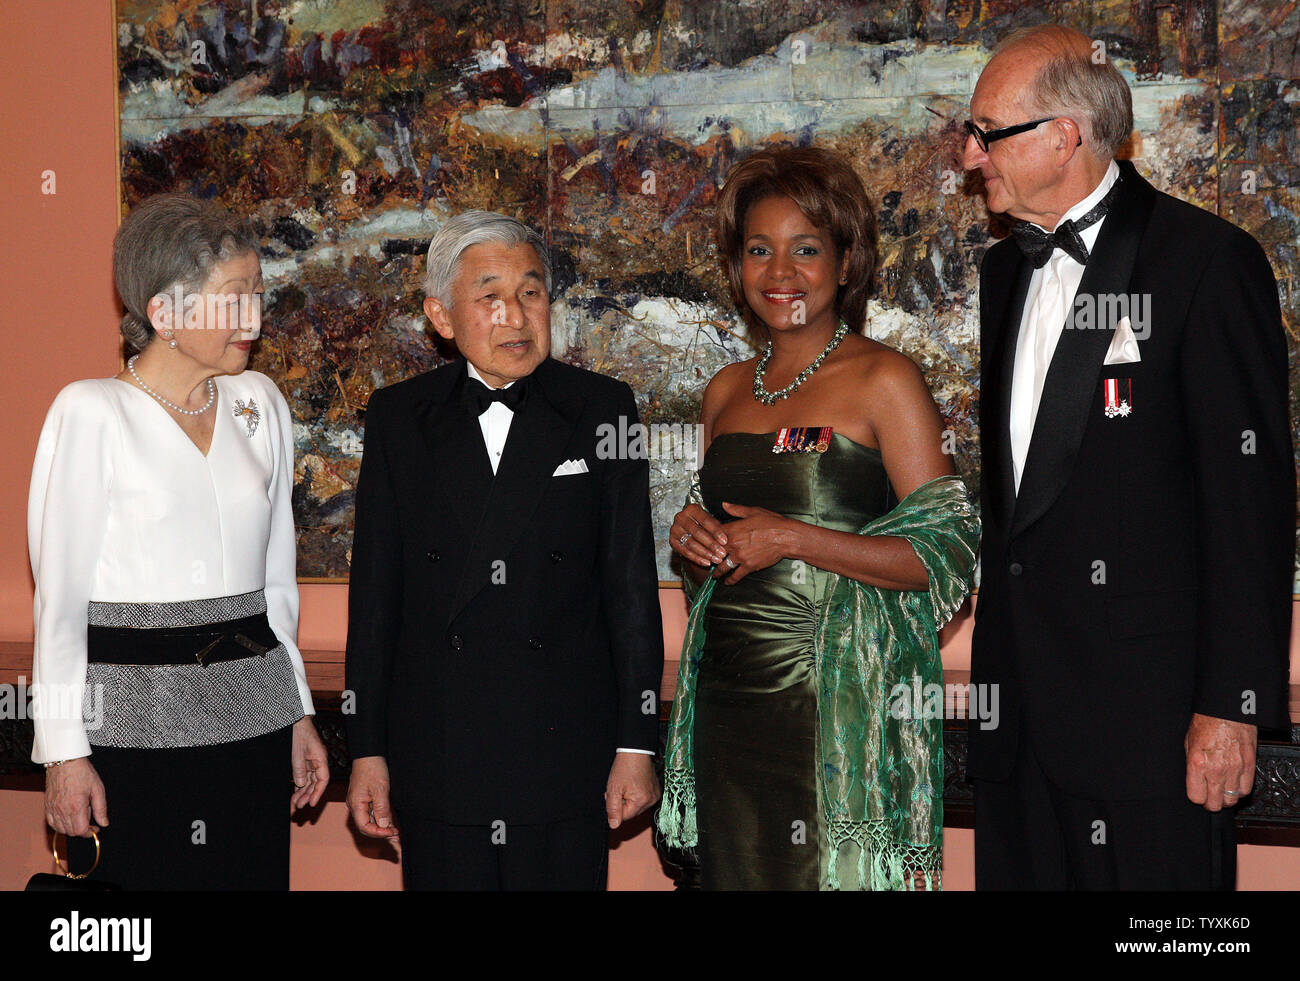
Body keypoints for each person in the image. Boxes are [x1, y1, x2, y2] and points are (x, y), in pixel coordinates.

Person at [964, 25, 1293, 890]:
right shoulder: (1004, 275)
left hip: (1154, 731)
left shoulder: (1206, 262)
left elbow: (1248, 502)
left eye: (987, 131)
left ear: (1064, 135)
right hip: (1018, 726)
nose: (969, 153)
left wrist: (1231, 707)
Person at [656, 145, 980, 890]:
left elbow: (949, 554)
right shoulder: (723, 391)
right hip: (726, 709)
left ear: (846, 260)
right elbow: (719, 545)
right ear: (736, 266)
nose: (780, 273)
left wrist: (796, 537)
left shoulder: (883, 378)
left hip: (834, 715)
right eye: (758, 250)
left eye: (805, 249)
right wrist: (692, 535)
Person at [344, 210, 663, 890]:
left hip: (561, 748)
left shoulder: (605, 408)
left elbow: (631, 590)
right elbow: (374, 598)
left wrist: (636, 741)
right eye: (489, 295)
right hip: (440, 748)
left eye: (531, 291)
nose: (515, 315)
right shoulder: (398, 416)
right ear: (442, 315)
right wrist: (366, 749)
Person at [30, 192, 329, 890]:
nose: (253, 316)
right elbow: (60, 606)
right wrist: (63, 753)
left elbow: (275, 592)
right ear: (164, 312)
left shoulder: (261, 403)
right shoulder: (91, 413)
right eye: (233, 298)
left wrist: (298, 714)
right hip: (134, 736)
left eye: (258, 293)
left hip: (254, 729)